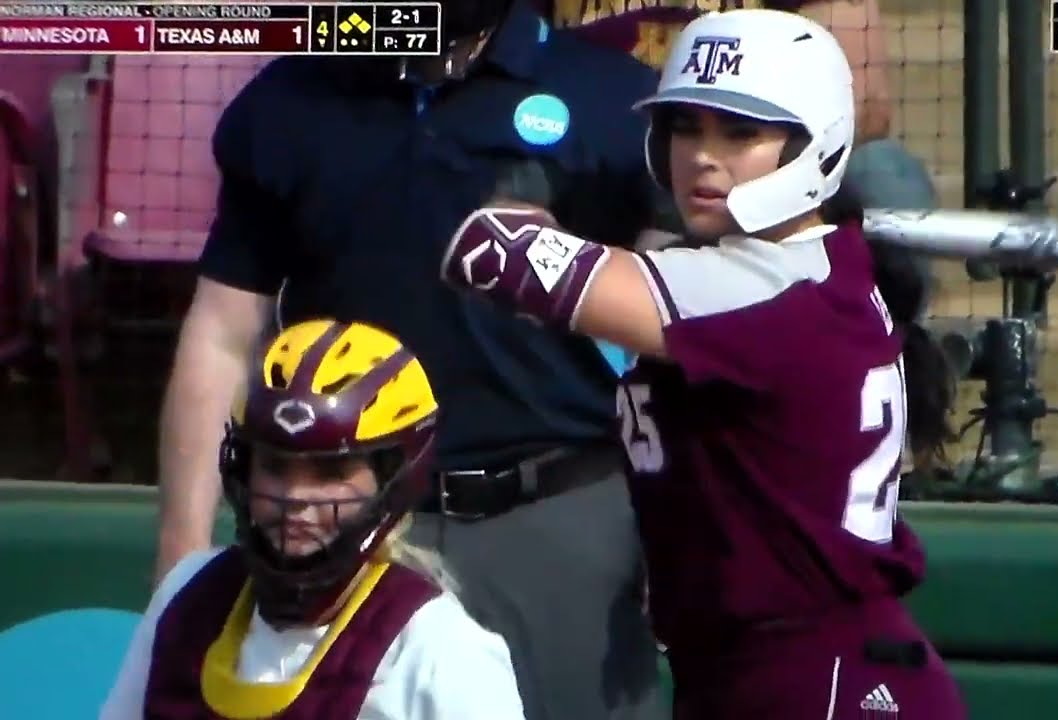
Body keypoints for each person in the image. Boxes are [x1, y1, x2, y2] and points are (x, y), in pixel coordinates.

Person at [440, 9, 965, 719]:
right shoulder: (794, 269)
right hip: (750, 669)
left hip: (818, 679)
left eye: (742, 133)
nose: (703, 157)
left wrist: (536, 206)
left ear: (814, 145)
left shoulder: (761, 290)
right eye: (687, 127)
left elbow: (492, 251)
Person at [152, 2, 666, 719]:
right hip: (353, 527)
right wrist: (180, 557)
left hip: (560, 515)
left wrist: (680, 521)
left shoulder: (616, 101)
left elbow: (688, 332)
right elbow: (222, 336)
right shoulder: (290, 100)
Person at [101, 319, 525, 720]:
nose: (295, 499)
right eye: (275, 465)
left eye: (330, 474)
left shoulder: (441, 650)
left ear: (391, 480)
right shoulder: (187, 595)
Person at [543, 0, 940, 212]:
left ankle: (893, 350)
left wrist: (756, 158)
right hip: (577, 140)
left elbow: (863, 101)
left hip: (741, 145)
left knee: (886, 175)